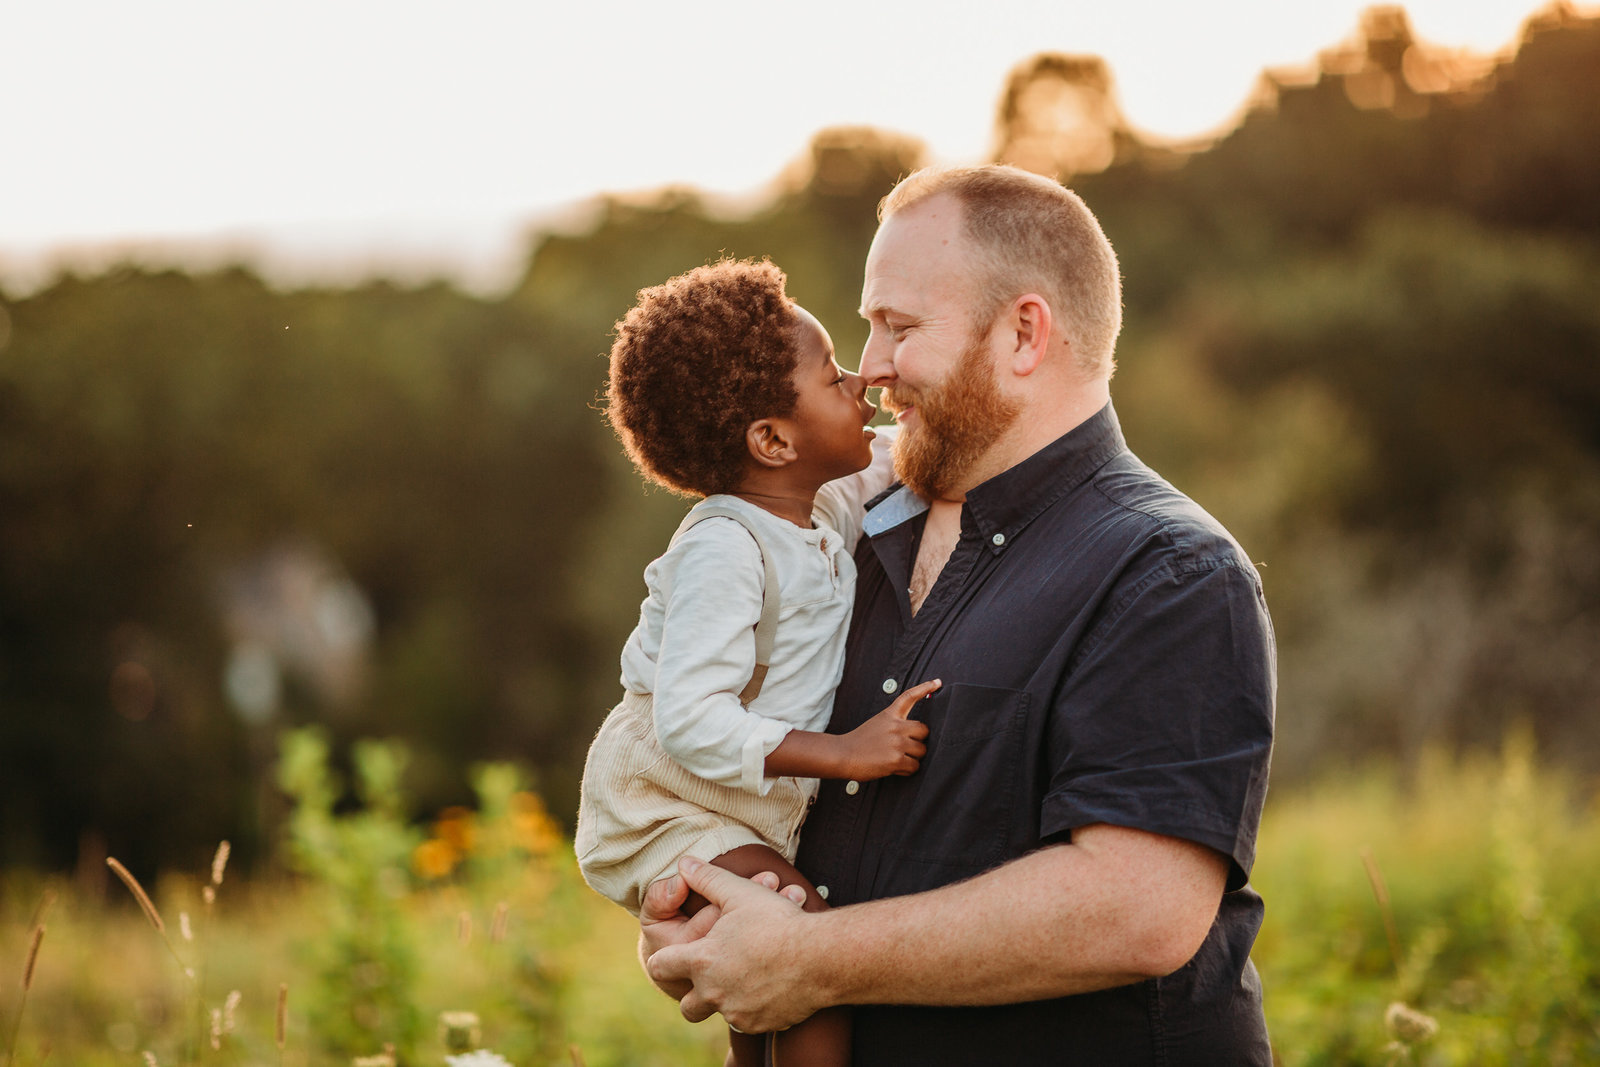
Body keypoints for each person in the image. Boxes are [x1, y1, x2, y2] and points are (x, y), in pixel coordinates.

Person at [641, 165, 1277, 1064]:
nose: (871, 364)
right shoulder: (831, 537)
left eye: (899, 326)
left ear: (1024, 331)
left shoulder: (1168, 571)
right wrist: (699, 911)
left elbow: (1139, 910)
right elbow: (728, 768)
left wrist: (811, 960)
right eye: (868, 325)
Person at [574, 258, 942, 1066]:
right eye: (832, 373)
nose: (858, 383)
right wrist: (843, 754)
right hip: (668, 797)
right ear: (773, 439)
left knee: (759, 966)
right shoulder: (725, 548)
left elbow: (918, 444)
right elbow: (692, 719)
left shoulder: (826, 498)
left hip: (738, 801)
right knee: (798, 936)